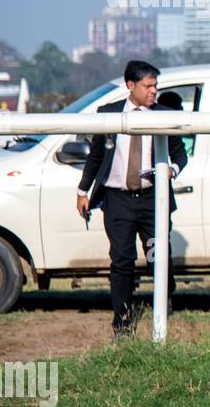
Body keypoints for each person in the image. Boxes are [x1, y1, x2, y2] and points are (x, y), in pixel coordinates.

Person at [76, 60, 188, 339]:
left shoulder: (165, 114)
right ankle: (122, 323)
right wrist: (83, 191)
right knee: (122, 261)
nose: (154, 92)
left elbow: (180, 155)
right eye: (148, 86)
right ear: (131, 86)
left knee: (157, 257)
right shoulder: (108, 114)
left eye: (156, 86)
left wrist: (170, 171)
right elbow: (96, 156)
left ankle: (164, 304)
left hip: (153, 200)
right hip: (118, 201)